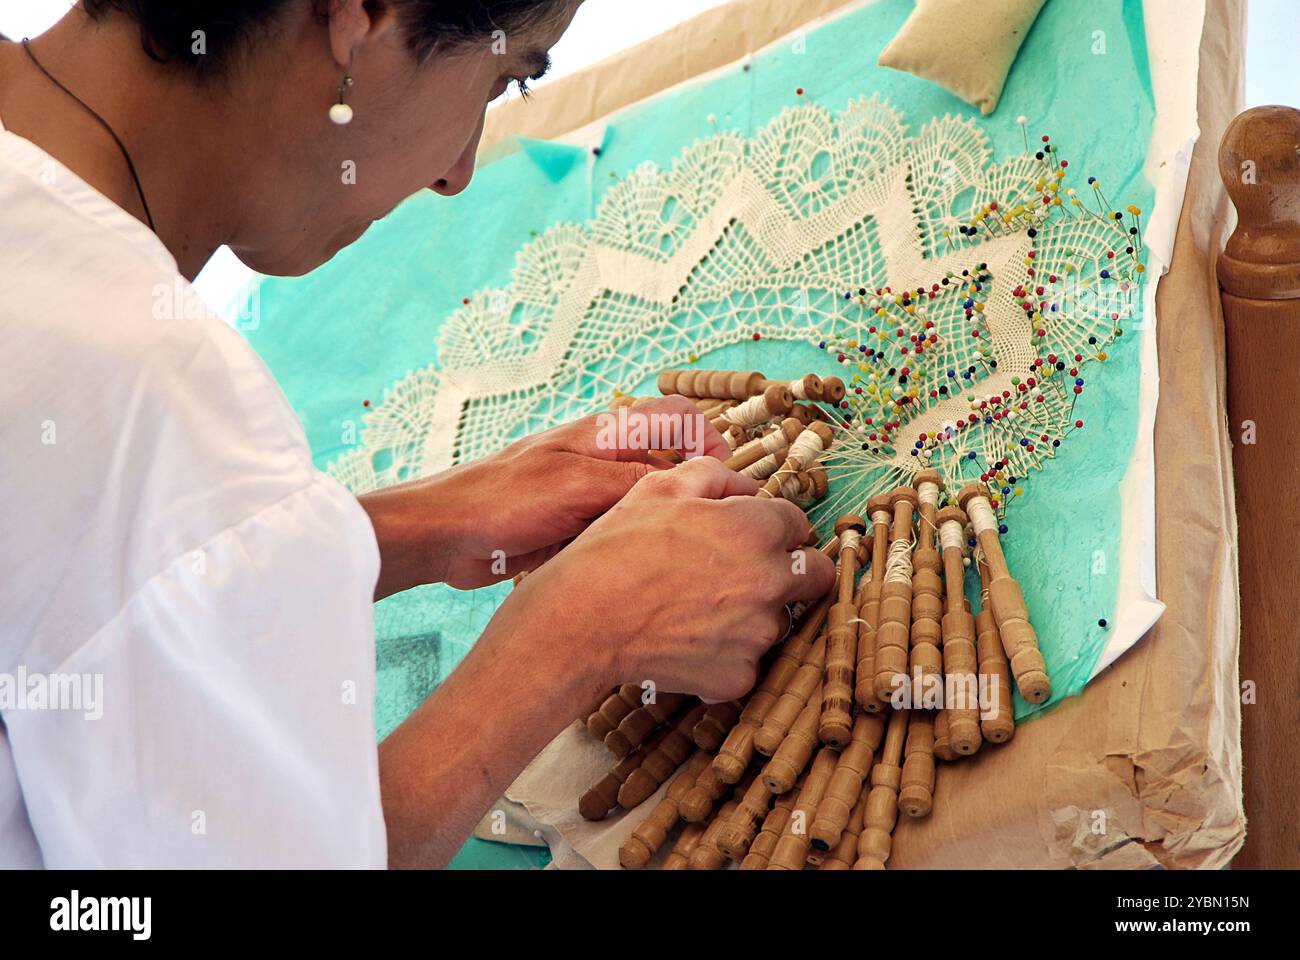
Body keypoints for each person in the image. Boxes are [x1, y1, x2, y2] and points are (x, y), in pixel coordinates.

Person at [0, 0, 834, 869]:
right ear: (357, 17)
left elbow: (74, 571)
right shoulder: (151, 403)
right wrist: (576, 639)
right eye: (506, 76)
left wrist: (416, 526)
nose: (459, 172)